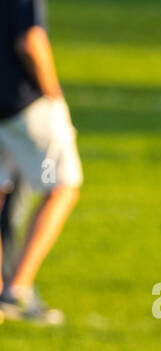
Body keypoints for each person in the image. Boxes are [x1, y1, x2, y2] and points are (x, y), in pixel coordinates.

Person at [0, 0, 81, 325]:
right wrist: (53, 92)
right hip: (24, 105)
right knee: (63, 186)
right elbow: (30, 40)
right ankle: (17, 289)